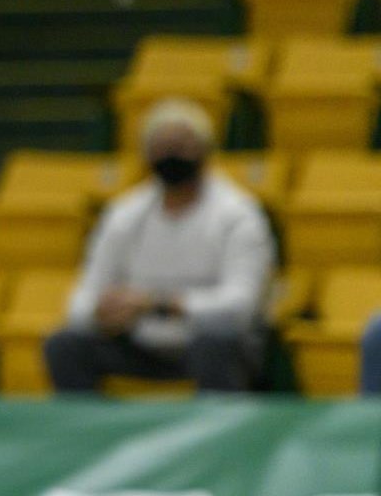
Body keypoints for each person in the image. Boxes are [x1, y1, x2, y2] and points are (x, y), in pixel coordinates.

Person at [45, 99, 275, 394]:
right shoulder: (124, 214)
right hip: (140, 344)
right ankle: (88, 435)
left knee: (218, 340)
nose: (171, 153)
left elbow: (241, 305)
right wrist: (101, 311)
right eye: (161, 145)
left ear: (206, 149)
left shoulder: (238, 214)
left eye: (181, 144)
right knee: (65, 343)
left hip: (208, 346)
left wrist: (159, 304)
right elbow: (81, 299)